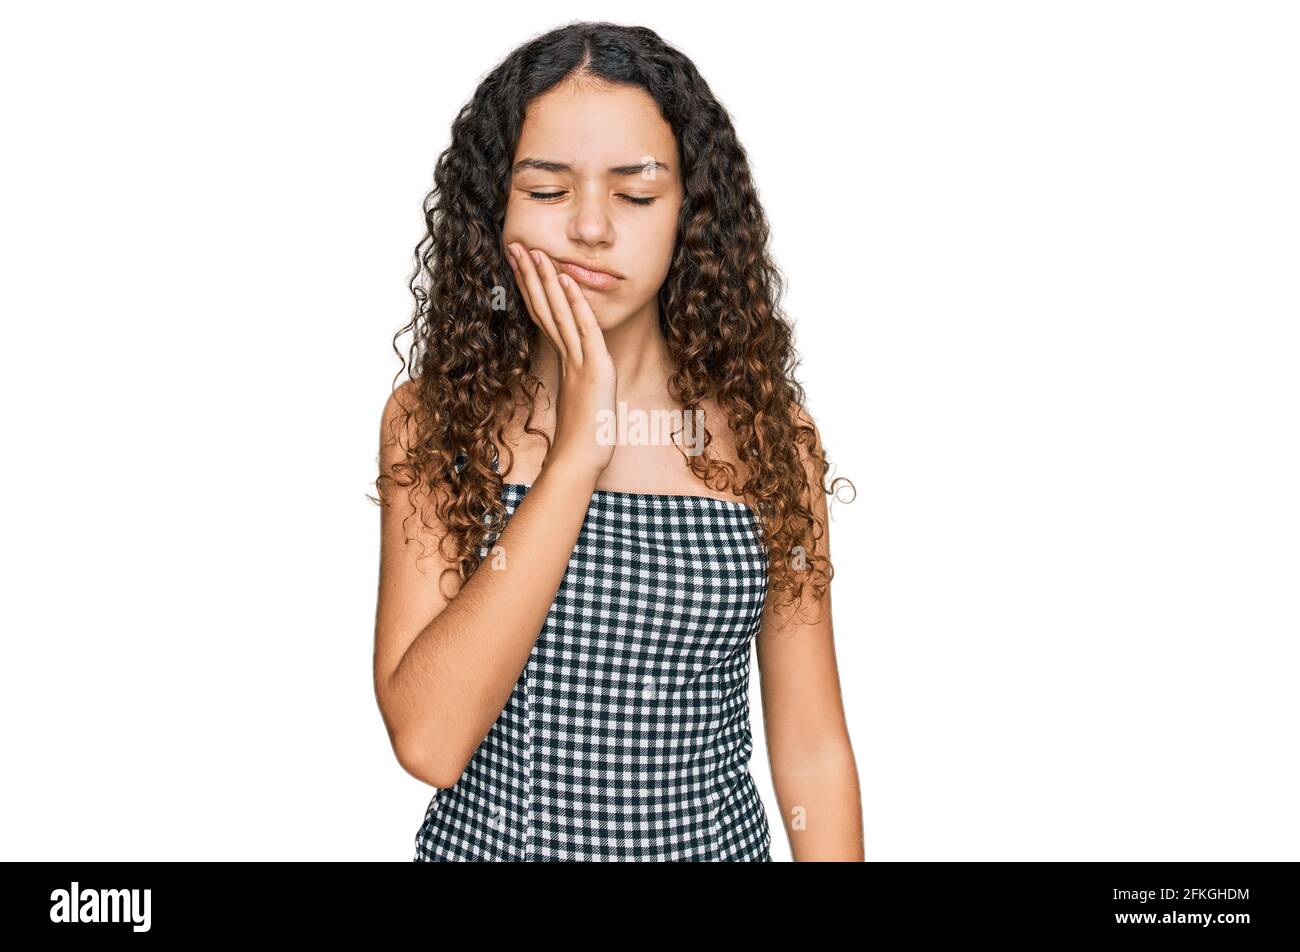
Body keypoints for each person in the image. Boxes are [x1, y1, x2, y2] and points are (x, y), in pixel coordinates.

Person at [372, 21, 863, 861]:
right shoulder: (433, 420)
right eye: (548, 191)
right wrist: (576, 450)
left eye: (635, 194)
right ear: (494, 212)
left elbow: (811, 749)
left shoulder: (773, 437)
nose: (592, 229)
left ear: (689, 213)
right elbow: (428, 739)